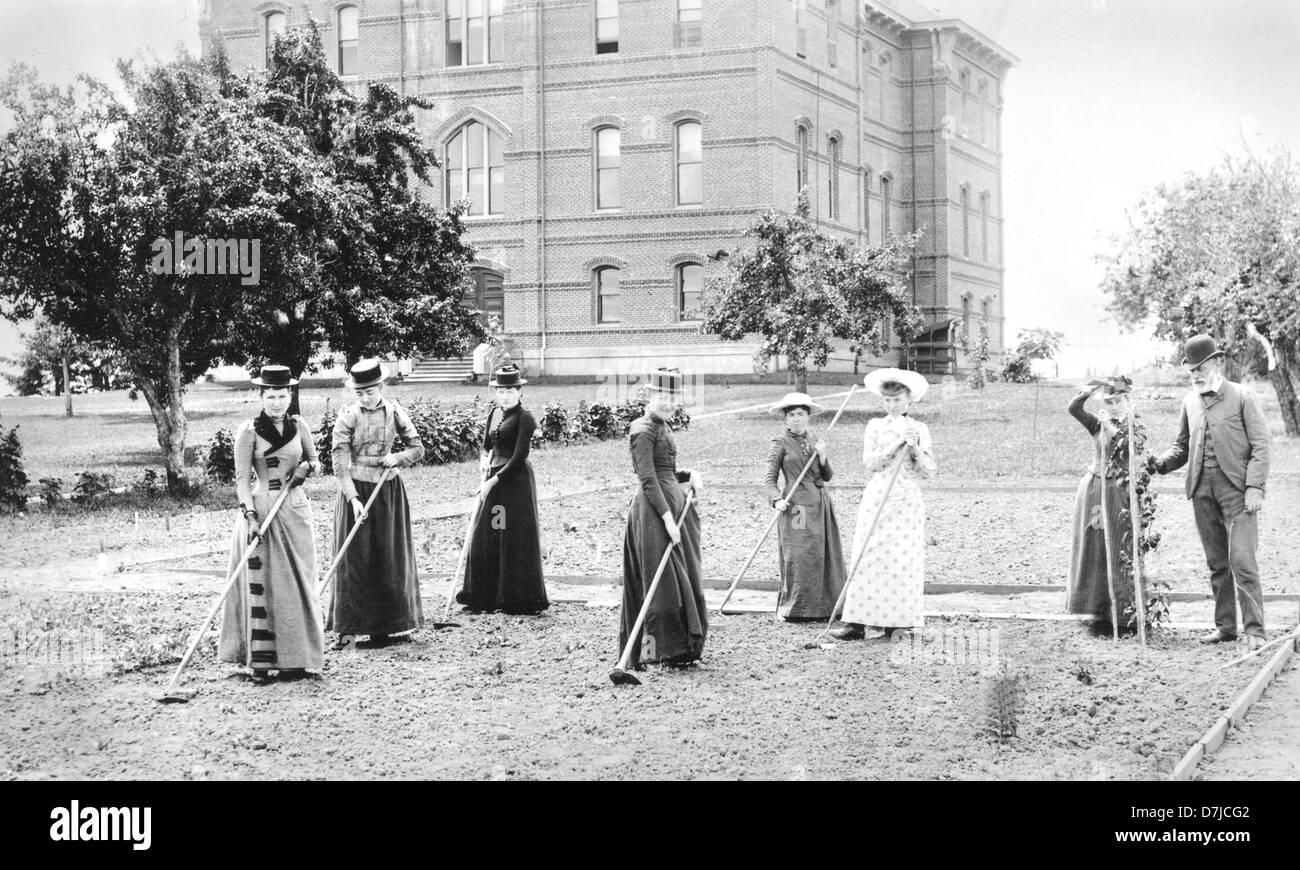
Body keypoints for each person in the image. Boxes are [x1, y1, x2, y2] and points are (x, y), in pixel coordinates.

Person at [1148, 335, 1272, 649]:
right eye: (1191, 370)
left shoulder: (1242, 395)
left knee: (1242, 560)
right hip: (1201, 491)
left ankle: (1255, 630)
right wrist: (1159, 464)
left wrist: (1255, 486)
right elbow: (1182, 446)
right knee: (1217, 563)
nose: (1196, 375)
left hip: (1238, 493)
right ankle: (1226, 627)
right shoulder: (1189, 402)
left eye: (1201, 367)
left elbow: (1261, 445)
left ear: (1217, 363)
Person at [219, 365, 323, 680]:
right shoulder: (248, 431)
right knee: (264, 584)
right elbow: (240, 481)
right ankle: (261, 662)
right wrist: (249, 515)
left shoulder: (299, 425)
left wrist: (307, 467)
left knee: (295, 585)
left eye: (281, 395)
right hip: (262, 513)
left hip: (295, 512)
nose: (276, 402)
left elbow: (315, 460)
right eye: (270, 396)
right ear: (261, 396)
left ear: (289, 395)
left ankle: (295, 659)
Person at [328, 359, 425, 647]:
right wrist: (352, 497)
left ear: (381, 387)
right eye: (360, 393)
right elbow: (339, 461)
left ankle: (385, 629)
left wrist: (397, 458)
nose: (365, 398)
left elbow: (417, 448)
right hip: (356, 491)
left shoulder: (395, 412)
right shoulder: (348, 416)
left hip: (387, 491)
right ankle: (346, 632)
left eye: (370, 391)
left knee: (388, 557)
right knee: (354, 561)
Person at [833, 368, 936, 641]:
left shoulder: (919, 429)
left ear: (909, 400)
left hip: (906, 501)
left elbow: (927, 472)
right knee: (868, 556)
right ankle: (857, 623)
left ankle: (897, 624)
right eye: (888, 400)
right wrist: (896, 443)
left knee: (901, 560)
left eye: (898, 399)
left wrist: (913, 447)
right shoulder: (875, 426)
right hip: (878, 495)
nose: (892, 405)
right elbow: (871, 463)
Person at [619, 368, 706, 669]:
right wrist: (668, 519)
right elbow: (647, 478)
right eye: (663, 396)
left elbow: (666, 470)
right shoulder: (641, 429)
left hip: (675, 505)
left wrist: (688, 475)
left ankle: (680, 646)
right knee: (662, 582)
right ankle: (656, 648)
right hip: (654, 513)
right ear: (649, 395)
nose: (668, 403)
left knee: (681, 577)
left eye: (673, 397)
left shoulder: (663, 426)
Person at [457, 363, 549, 614]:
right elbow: (486, 445)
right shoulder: (494, 414)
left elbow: (519, 457)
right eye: (501, 391)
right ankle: (485, 596)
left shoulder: (526, 418)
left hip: (514, 482)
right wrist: (483, 461)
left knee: (512, 536)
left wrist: (491, 481)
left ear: (520, 392)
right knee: (487, 533)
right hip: (492, 477)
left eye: (510, 391)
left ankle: (515, 598)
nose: (505, 395)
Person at [765, 392, 847, 620]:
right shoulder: (780, 443)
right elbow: (769, 480)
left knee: (823, 554)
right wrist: (776, 500)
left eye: (801, 414)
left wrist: (822, 456)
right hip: (796, 506)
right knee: (800, 554)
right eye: (791, 415)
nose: (796, 419)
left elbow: (827, 476)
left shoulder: (814, 440)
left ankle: (825, 608)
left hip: (820, 504)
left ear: (808, 416)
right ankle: (797, 608)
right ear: (785, 418)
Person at [1065, 376, 1136, 632]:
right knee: (1094, 544)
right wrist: (1089, 390)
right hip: (1095, 487)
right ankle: (1095, 608)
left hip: (1120, 490)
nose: (1114, 406)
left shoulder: (1133, 426)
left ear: (1128, 401)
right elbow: (1074, 408)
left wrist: (1111, 426)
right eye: (1109, 401)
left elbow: (1127, 448)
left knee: (1119, 544)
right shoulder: (1097, 424)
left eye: (1118, 400)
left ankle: (1121, 609)